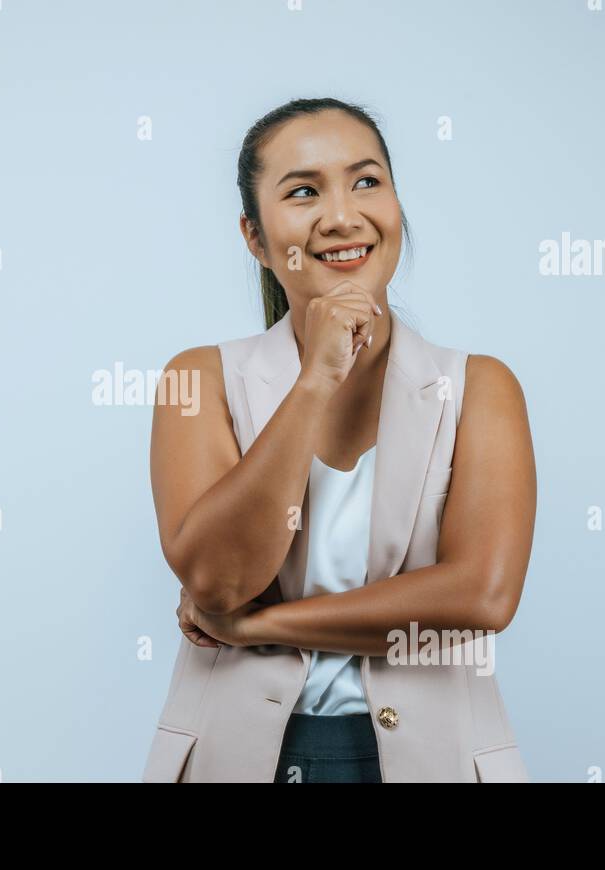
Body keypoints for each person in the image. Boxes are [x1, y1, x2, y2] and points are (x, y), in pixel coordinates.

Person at [143, 97, 536, 783]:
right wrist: (315, 381)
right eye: (302, 192)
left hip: (433, 760)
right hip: (238, 759)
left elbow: (479, 598)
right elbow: (218, 577)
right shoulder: (199, 378)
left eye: (366, 181)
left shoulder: (481, 386)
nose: (343, 215)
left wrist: (260, 626)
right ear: (257, 238)